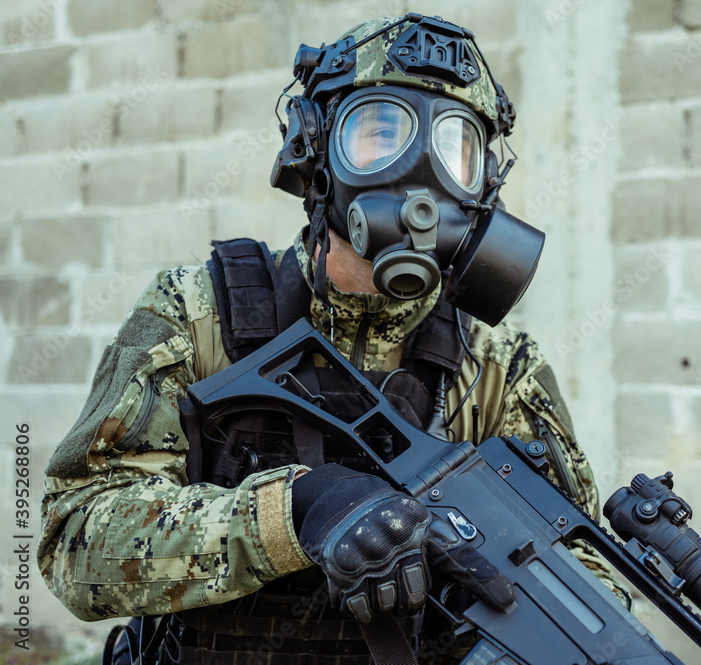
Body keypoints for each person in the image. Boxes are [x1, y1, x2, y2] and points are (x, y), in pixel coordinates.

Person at [39, 14, 626, 665]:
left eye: (455, 150)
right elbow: (76, 541)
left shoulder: (499, 366)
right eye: (381, 134)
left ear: (483, 187)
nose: (420, 174)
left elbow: (583, 578)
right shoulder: (198, 313)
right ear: (314, 149)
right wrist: (294, 513)